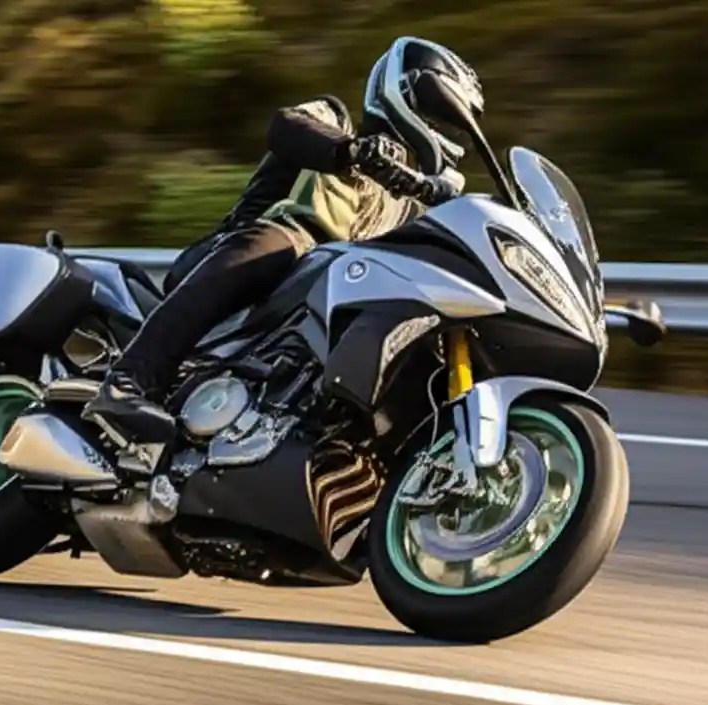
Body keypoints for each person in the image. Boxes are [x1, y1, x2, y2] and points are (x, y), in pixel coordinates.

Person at [83, 36, 486, 443]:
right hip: (245, 255)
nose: (444, 131)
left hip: (315, 300)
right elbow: (285, 127)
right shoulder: (335, 120)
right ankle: (127, 382)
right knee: (286, 244)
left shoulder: (408, 208)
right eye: (440, 116)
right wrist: (352, 152)